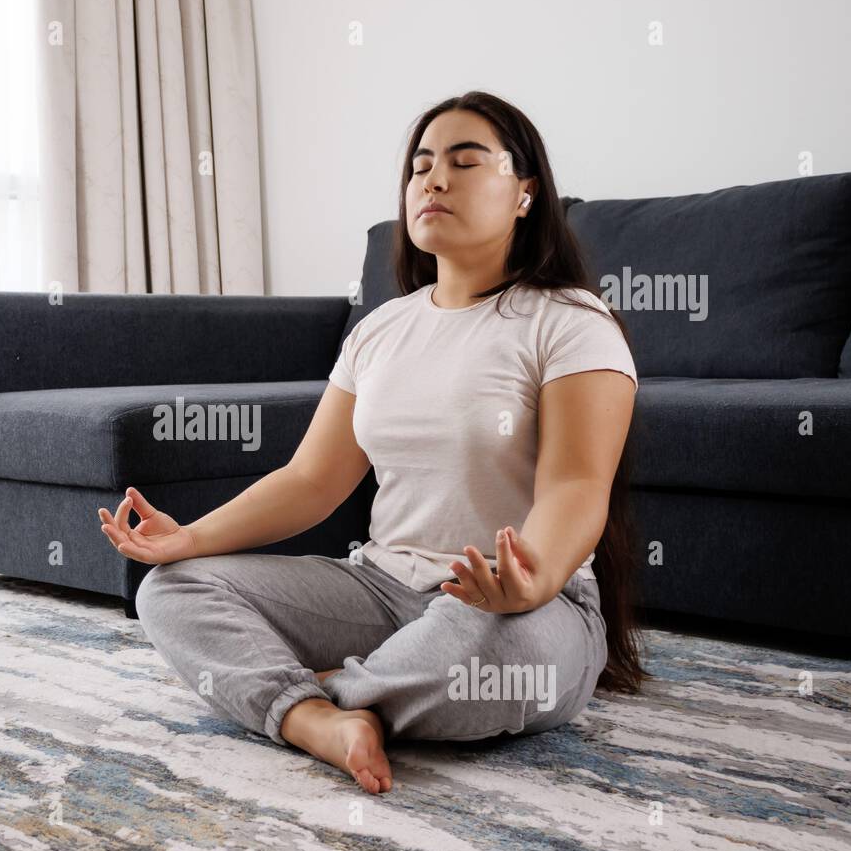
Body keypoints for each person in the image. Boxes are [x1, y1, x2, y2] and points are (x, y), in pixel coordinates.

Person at [97, 91, 648, 796]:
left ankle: (323, 690)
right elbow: (312, 481)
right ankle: (319, 718)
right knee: (171, 590)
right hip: (380, 587)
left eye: (464, 161)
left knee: (490, 660)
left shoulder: (571, 322)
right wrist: (190, 540)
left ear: (525, 193)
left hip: (520, 607)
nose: (433, 180)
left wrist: (530, 578)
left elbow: (577, 484)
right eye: (420, 166)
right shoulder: (379, 330)